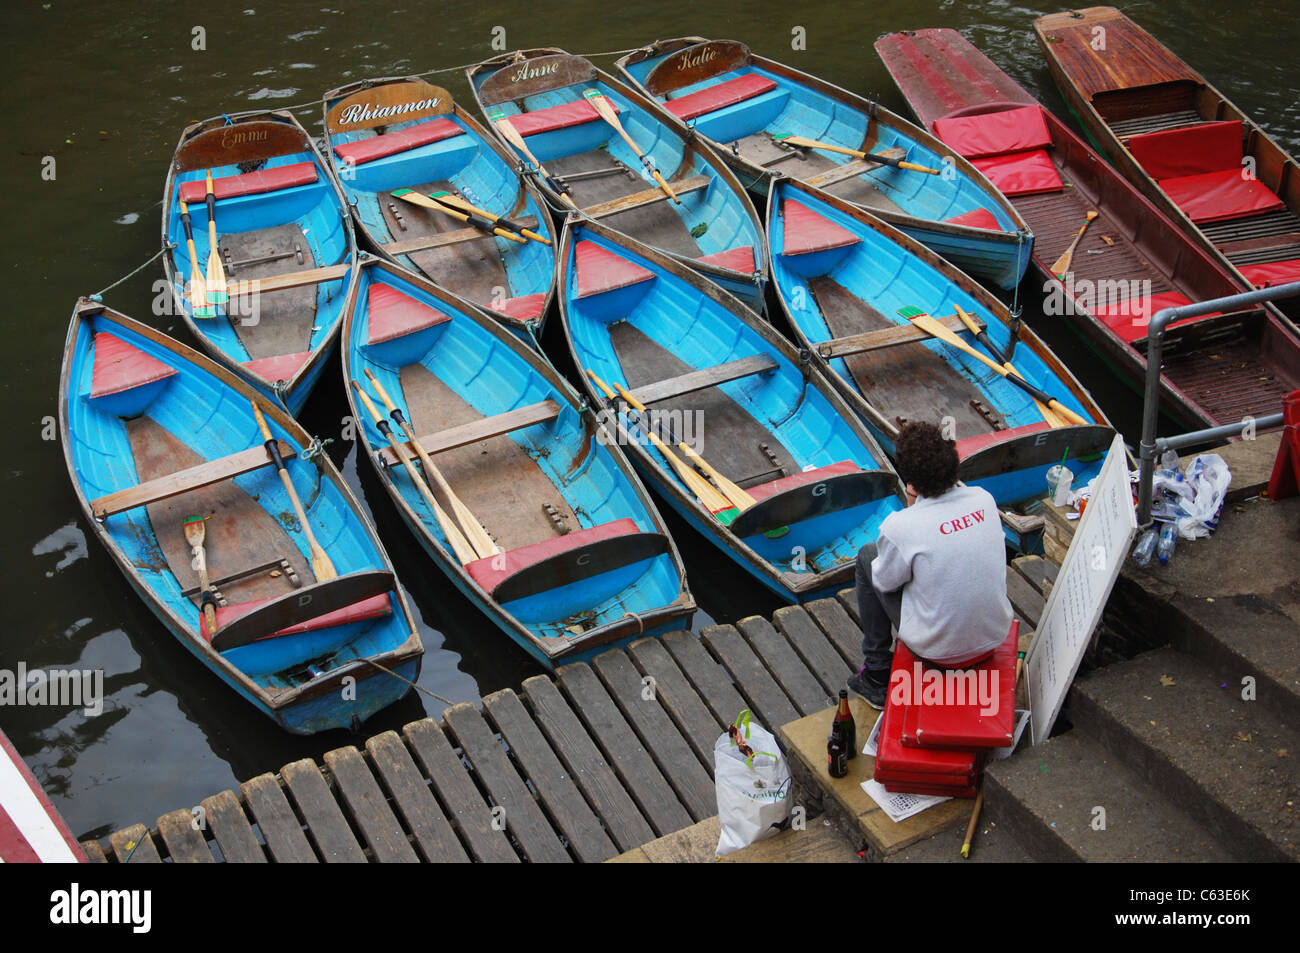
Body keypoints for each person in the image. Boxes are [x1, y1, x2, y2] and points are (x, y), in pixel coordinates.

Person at [847, 422, 1013, 708]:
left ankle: (876, 673)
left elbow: (884, 583)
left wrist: (912, 510)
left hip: (940, 653)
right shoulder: (984, 500)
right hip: (993, 636)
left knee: (866, 557)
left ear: (911, 481)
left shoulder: (900, 526)